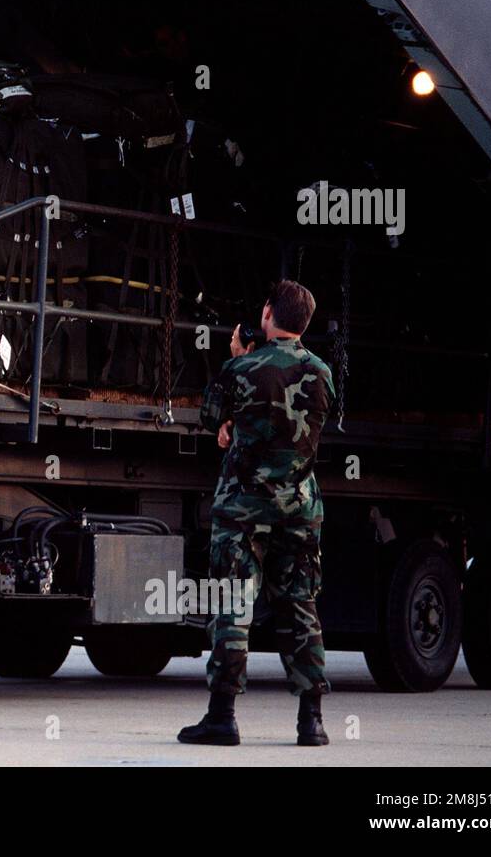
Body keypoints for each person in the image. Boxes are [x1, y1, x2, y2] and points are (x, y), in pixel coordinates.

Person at [179, 280, 335, 747]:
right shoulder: (322, 372)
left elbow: (210, 416)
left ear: (268, 313)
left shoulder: (241, 367)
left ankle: (222, 716)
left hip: (244, 507)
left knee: (232, 605)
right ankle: (312, 721)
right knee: (301, 607)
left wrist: (235, 359)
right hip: (299, 507)